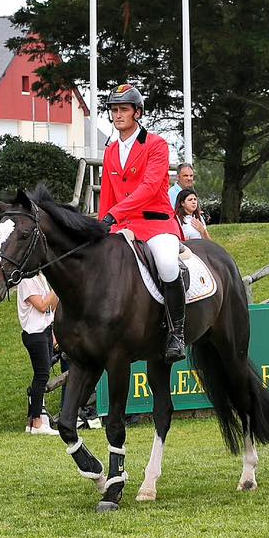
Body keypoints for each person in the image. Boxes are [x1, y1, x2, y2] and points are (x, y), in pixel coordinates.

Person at [98, 82, 186, 362]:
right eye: (114, 110)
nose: (117, 115)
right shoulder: (110, 151)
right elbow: (107, 196)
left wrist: (116, 213)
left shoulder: (157, 145)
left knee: (167, 264)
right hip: (122, 226)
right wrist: (102, 227)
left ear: (137, 112)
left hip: (156, 223)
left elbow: (149, 188)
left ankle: (177, 333)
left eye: (123, 109)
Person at [16, 272, 59, 435]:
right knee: (41, 376)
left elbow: (51, 307)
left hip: (45, 330)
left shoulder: (41, 278)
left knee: (42, 375)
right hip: (34, 333)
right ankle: (37, 422)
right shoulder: (26, 280)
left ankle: (32, 422)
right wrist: (55, 288)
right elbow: (41, 305)